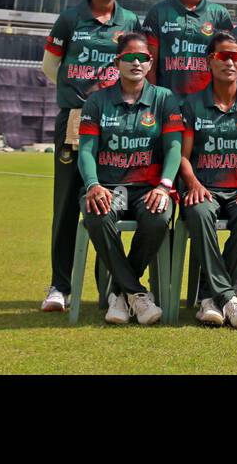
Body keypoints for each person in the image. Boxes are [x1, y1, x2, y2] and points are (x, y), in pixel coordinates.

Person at [39, 0, 142, 313]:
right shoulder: (70, 19)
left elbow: (136, 65)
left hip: (116, 120)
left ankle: (109, 288)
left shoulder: (130, 20)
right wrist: (77, 94)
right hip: (75, 118)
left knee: (110, 201)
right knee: (67, 204)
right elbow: (50, 66)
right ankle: (60, 286)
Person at [77, 32, 181, 325]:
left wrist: (164, 186)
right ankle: (136, 293)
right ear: (117, 61)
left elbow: (173, 148)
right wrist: (93, 186)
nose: (136, 63)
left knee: (158, 219)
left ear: (150, 63)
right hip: (110, 188)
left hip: (148, 188)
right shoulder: (97, 101)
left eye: (143, 58)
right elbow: (86, 151)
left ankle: (119, 295)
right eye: (129, 57)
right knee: (97, 216)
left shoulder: (164, 99)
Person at [176, 32, 237, 329]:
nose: (230, 62)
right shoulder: (193, 104)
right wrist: (193, 184)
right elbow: (182, 156)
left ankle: (211, 297)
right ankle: (229, 297)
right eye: (223, 56)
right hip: (203, 188)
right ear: (210, 61)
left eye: (236, 57)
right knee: (199, 212)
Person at [142, 0, 234, 97]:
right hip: (169, 103)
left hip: (207, 105)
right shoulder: (158, 12)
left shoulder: (219, 14)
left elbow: (228, 63)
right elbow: (149, 65)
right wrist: (154, 100)